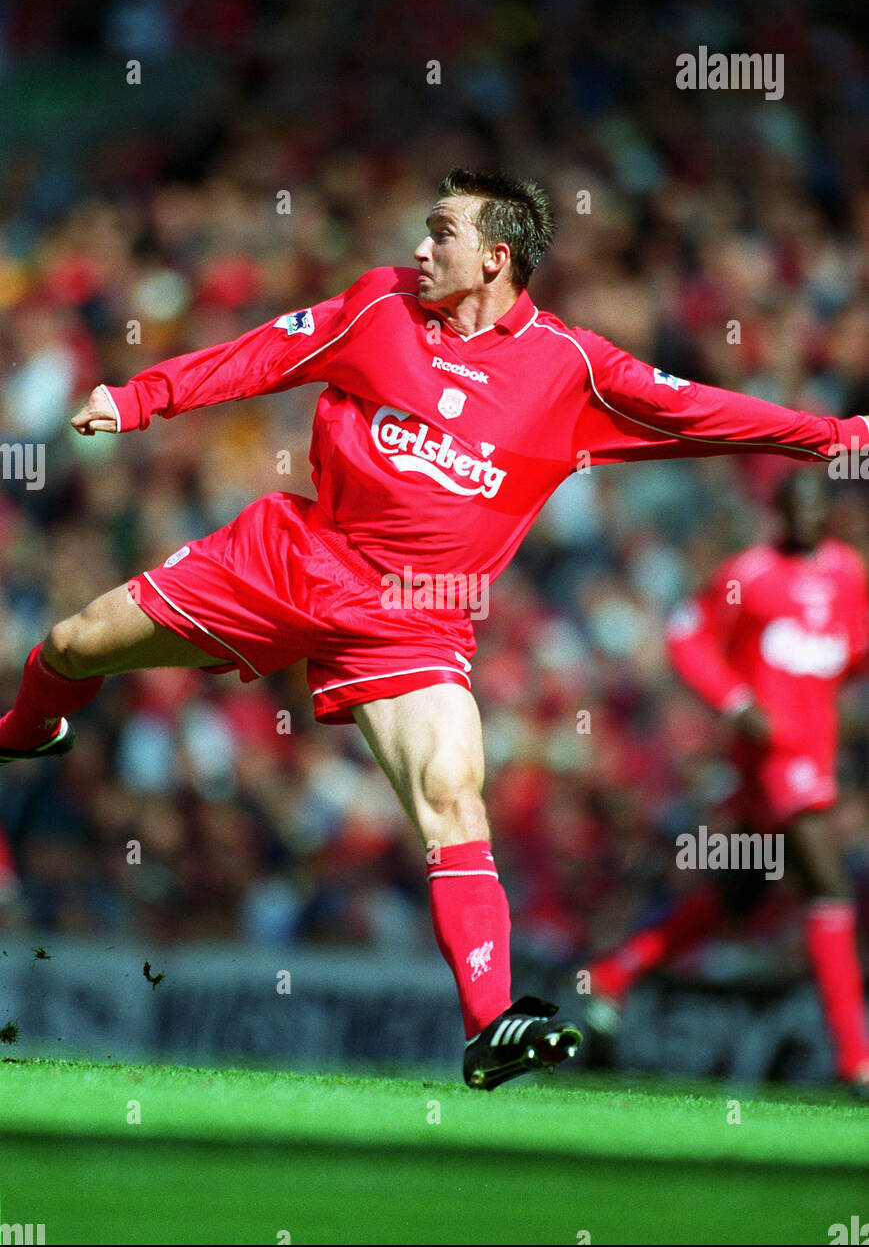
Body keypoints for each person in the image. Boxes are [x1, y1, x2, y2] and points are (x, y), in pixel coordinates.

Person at [1, 169, 867, 1090]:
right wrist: (141, 398)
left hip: (412, 624)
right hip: (293, 561)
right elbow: (263, 354)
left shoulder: (568, 367)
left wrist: (826, 434)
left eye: (440, 234)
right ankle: (24, 731)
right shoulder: (377, 307)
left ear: (496, 257)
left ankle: (489, 1024)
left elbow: (692, 406)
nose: (420, 248)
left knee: (454, 801)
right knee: (76, 643)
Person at [583, 471, 869, 1096]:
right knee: (826, 878)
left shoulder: (848, 573)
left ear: (830, 515)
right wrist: (737, 701)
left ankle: (614, 973)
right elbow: (686, 636)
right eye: (793, 506)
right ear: (777, 511)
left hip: (814, 751)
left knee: (743, 894)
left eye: (817, 507)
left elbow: (852, 650)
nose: (805, 518)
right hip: (769, 755)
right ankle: (856, 1058)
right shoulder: (751, 573)